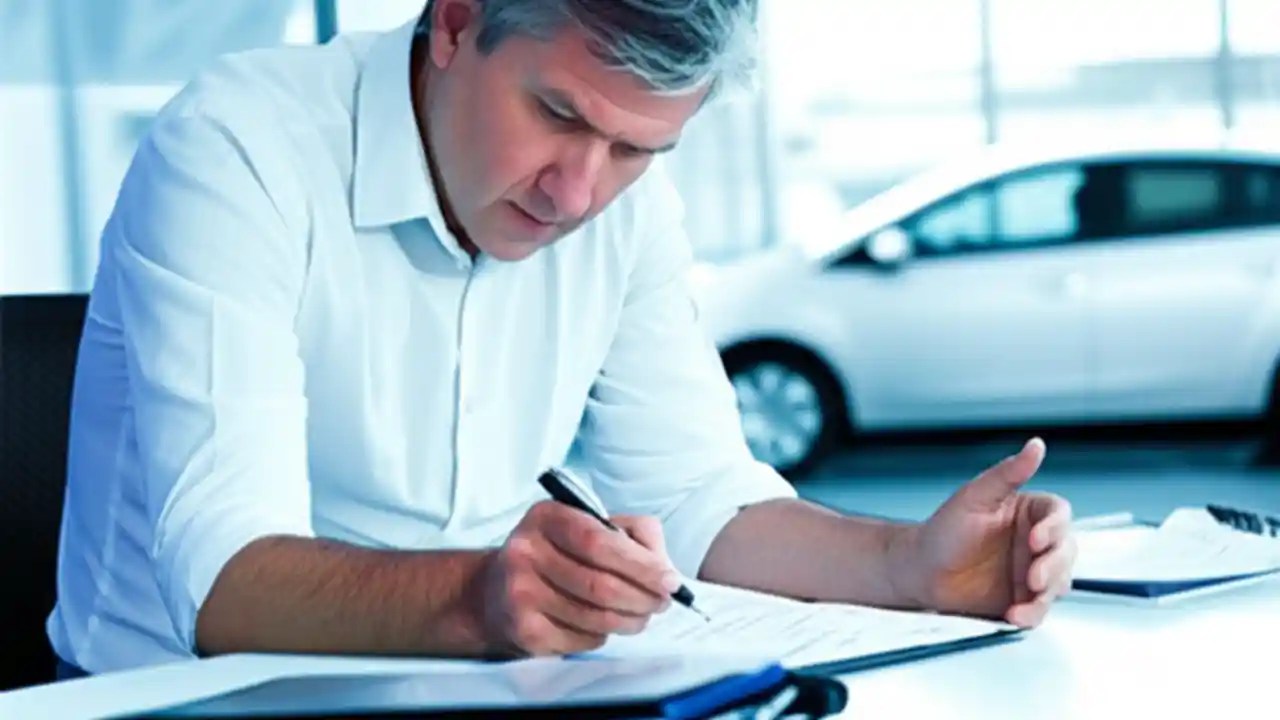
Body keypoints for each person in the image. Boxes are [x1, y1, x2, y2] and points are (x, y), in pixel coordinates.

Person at [49, 0, 1077, 675]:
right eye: (554, 113)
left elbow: (697, 497)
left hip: (476, 692)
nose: (578, 191)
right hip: (180, 703)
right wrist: (481, 597)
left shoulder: (627, 211)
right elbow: (222, 578)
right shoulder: (236, 149)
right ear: (455, 20)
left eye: (635, 148)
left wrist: (910, 569)